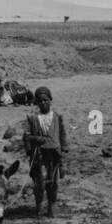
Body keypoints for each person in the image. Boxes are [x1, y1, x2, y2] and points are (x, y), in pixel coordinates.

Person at [22, 86, 68, 217]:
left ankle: (51, 207)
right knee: (40, 183)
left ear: (50, 100)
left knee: (53, 183)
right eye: (40, 101)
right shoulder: (33, 118)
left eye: (46, 100)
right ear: (36, 103)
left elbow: (62, 133)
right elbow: (26, 137)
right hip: (39, 155)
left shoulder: (57, 117)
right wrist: (32, 147)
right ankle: (39, 207)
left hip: (54, 156)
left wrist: (63, 148)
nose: (43, 103)